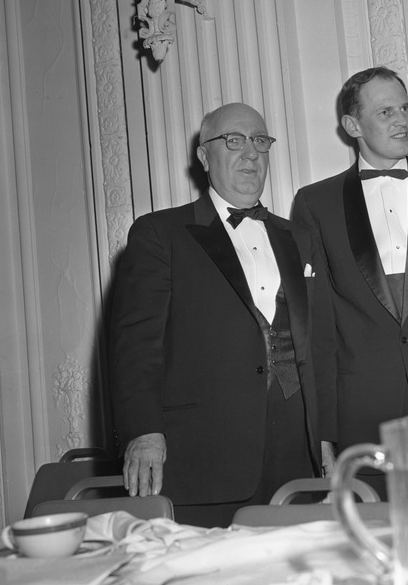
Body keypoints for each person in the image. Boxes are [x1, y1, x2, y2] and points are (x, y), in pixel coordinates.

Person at [109, 103, 321, 527]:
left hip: (295, 456)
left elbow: (320, 343)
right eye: (234, 141)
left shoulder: (298, 236)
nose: (251, 153)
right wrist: (143, 432)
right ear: (205, 157)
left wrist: (325, 439)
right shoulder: (160, 233)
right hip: (203, 457)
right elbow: (136, 345)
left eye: (259, 141)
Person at [292, 67, 408, 499]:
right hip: (364, 416)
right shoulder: (315, 203)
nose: (403, 120)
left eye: (406, 108)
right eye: (385, 112)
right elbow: (318, 328)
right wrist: (323, 432)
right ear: (352, 126)